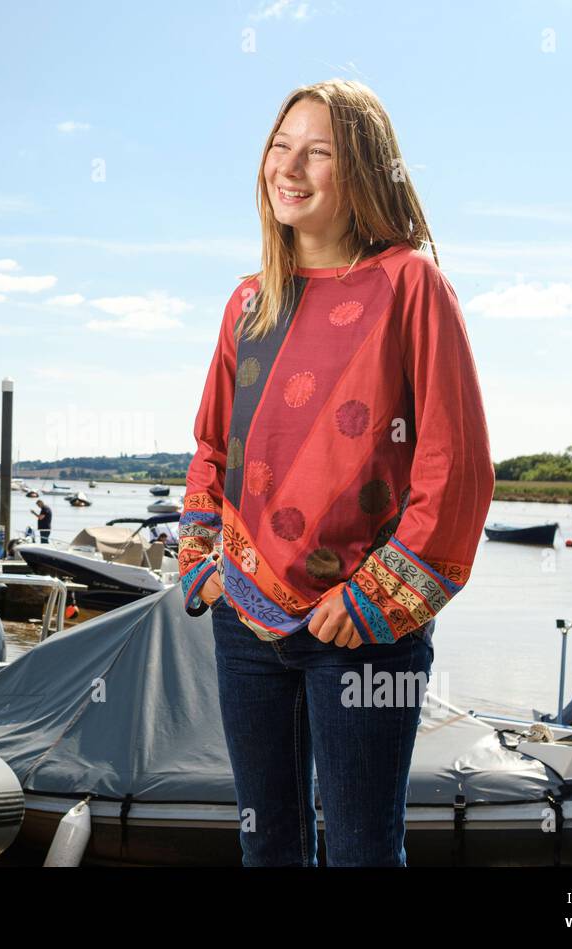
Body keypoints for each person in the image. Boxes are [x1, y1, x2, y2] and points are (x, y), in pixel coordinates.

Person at [178, 79, 494, 867]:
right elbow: (213, 446)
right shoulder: (248, 303)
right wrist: (204, 562)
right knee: (266, 851)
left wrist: (378, 598)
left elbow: (454, 465)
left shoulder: (409, 284)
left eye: (318, 153)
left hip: (361, 630)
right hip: (245, 621)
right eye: (280, 148)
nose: (290, 168)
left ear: (362, 173)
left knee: (361, 852)